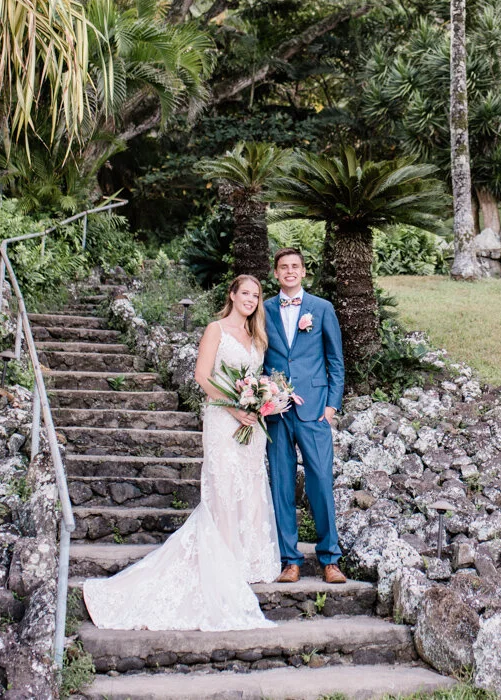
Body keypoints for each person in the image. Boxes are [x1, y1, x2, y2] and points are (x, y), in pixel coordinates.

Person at [81, 275, 278, 631]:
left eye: (256, 295)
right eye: (245, 293)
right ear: (231, 295)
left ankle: (249, 559)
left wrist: (261, 403)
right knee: (223, 486)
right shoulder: (216, 329)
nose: (250, 299)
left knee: (248, 485)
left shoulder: (257, 337)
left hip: (251, 425)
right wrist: (234, 407)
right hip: (222, 420)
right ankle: (222, 559)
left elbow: (257, 379)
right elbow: (203, 377)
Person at [262, 248, 347, 584]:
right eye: (283, 267)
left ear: (304, 271)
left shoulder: (322, 309)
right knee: (281, 484)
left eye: (295, 266)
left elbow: (335, 360)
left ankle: (330, 559)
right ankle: (290, 560)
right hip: (276, 411)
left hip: (314, 410)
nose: (289, 271)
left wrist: (331, 406)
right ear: (276, 273)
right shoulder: (264, 309)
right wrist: (262, 396)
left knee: (321, 482)